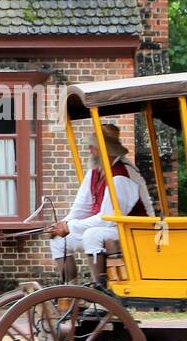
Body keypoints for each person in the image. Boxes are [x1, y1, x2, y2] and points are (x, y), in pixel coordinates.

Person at [49, 122, 154, 288]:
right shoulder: (95, 171)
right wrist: (61, 225)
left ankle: (100, 292)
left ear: (106, 150)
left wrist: (70, 226)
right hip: (113, 226)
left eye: (94, 146)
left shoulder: (123, 175)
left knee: (93, 234)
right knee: (58, 239)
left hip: (135, 229)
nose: (90, 150)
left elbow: (107, 219)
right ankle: (71, 292)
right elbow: (80, 208)